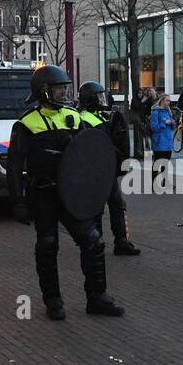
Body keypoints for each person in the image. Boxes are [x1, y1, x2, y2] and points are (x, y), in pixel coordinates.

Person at [6, 65, 125, 320]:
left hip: (73, 194)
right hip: (45, 194)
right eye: (58, 89)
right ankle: (53, 300)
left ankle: (97, 297)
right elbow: (15, 166)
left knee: (93, 242)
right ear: (43, 92)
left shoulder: (74, 116)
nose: (63, 93)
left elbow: (88, 152)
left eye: (64, 89)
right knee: (48, 245)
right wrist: (18, 202)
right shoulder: (26, 123)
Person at [78, 80, 140, 256]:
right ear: (90, 99)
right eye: (98, 96)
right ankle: (96, 241)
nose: (102, 99)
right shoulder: (82, 118)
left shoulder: (99, 115)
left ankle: (121, 242)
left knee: (117, 205)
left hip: (107, 169)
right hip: (94, 171)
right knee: (97, 208)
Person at [149, 94, 176, 160]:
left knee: (165, 165)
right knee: (157, 165)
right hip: (159, 144)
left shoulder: (167, 112)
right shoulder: (155, 112)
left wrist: (173, 123)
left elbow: (173, 128)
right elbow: (154, 128)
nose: (169, 102)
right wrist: (164, 123)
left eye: (169, 101)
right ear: (162, 101)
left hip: (168, 144)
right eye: (167, 100)